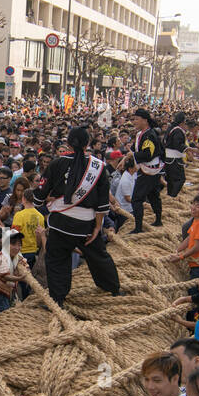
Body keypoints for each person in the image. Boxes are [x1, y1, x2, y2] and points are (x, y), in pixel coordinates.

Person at [34, 126, 121, 304]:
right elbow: (103, 202)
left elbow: (39, 196)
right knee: (99, 256)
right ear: (87, 143)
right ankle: (112, 289)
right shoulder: (98, 166)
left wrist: (46, 200)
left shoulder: (56, 163)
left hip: (60, 224)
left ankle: (57, 298)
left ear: (68, 143)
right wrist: (98, 226)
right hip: (86, 224)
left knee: (57, 259)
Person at [127, 108, 164, 233]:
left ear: (145, 120)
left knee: (136, 199)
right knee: (153, 194)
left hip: (149, 170)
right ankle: (158, 220)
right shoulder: (141, 134)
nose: (134, 121)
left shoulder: (149, 135)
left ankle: (138, 228)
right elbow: (133, 149)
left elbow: (148, 154)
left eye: (137, 119)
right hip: (148, 169)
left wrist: (134, 155)